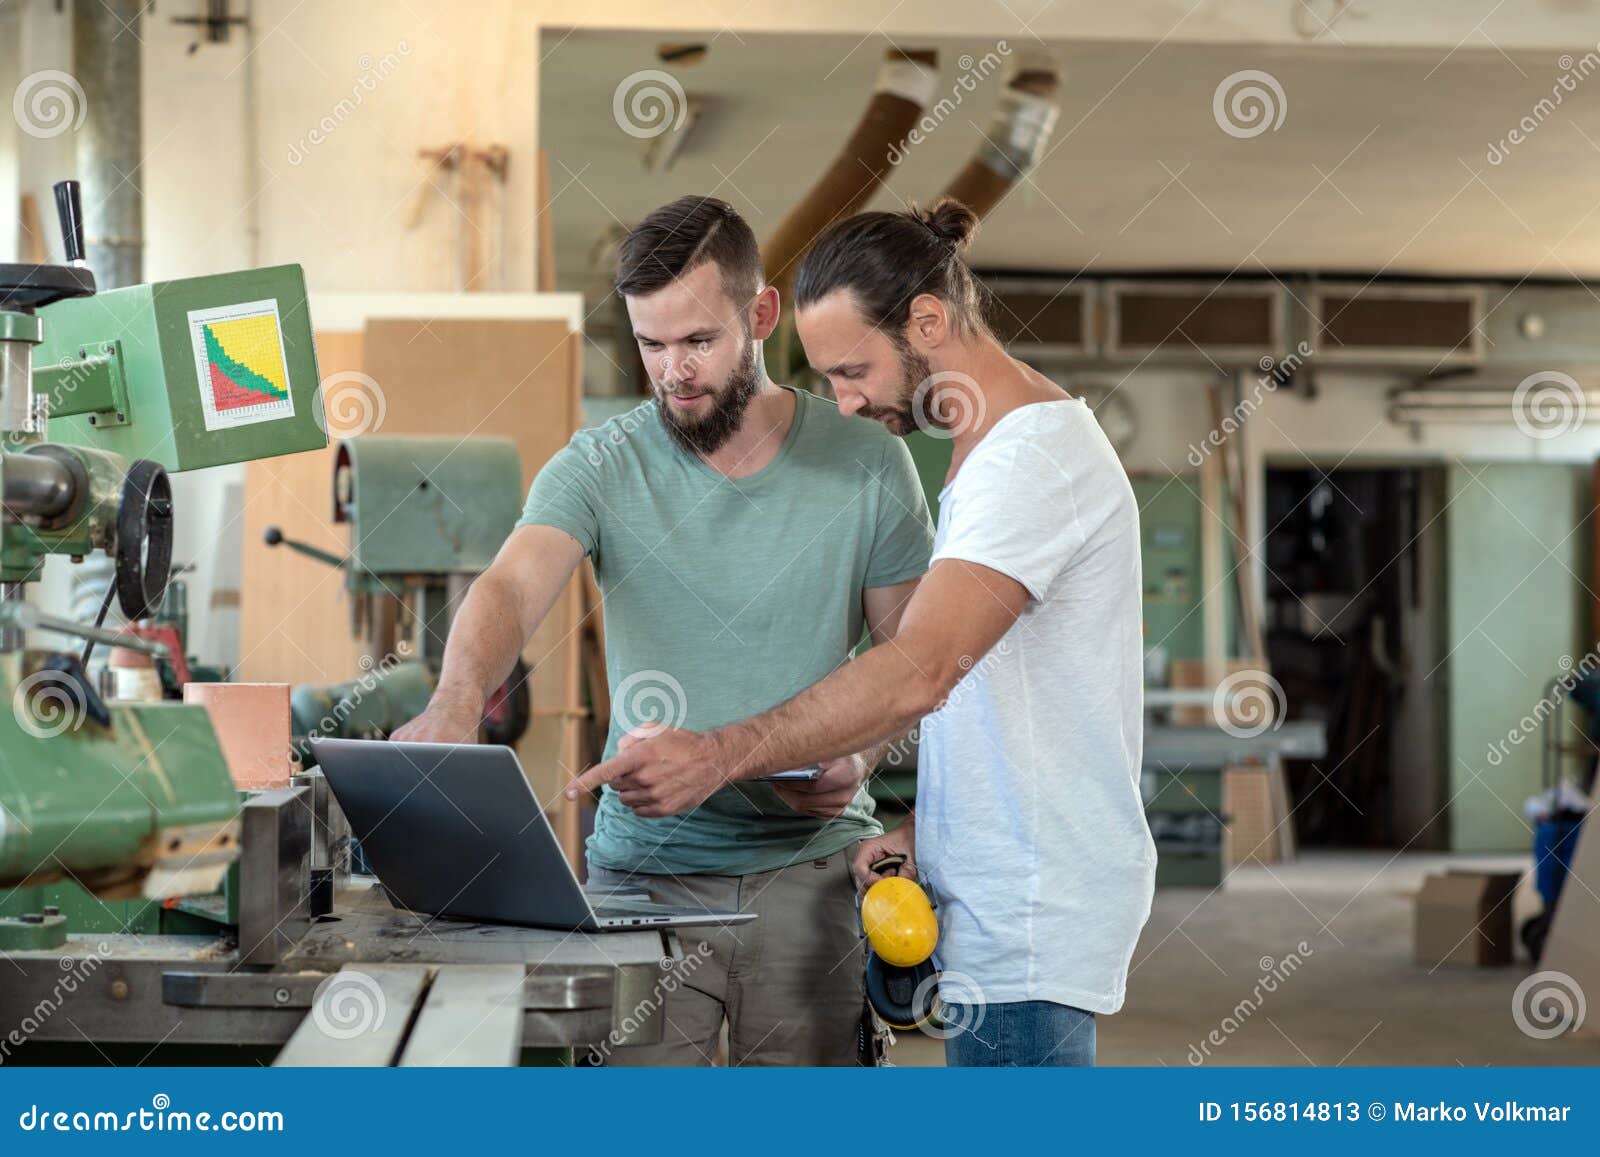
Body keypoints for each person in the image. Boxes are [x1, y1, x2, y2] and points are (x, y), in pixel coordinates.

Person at [568, 198, 1156, 1068]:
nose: (842, 405)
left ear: (927, 321)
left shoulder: (1030, 461)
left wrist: (719, 755)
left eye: (853, 370)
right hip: (992, 900)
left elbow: (919, 669)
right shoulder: (984, 460)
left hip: (1031, 915)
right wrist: (922, 833)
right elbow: (1001, 704)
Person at [393, 195, 933, 1066]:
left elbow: (915, 663)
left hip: (813, 872)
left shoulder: (867, 460)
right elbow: (509, 583)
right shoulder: (602, 463)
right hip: (643, 879)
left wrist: (859, 757)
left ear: (759, 316)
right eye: (651, 345)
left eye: (698, 341)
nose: (674, 371)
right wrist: (457, 702)